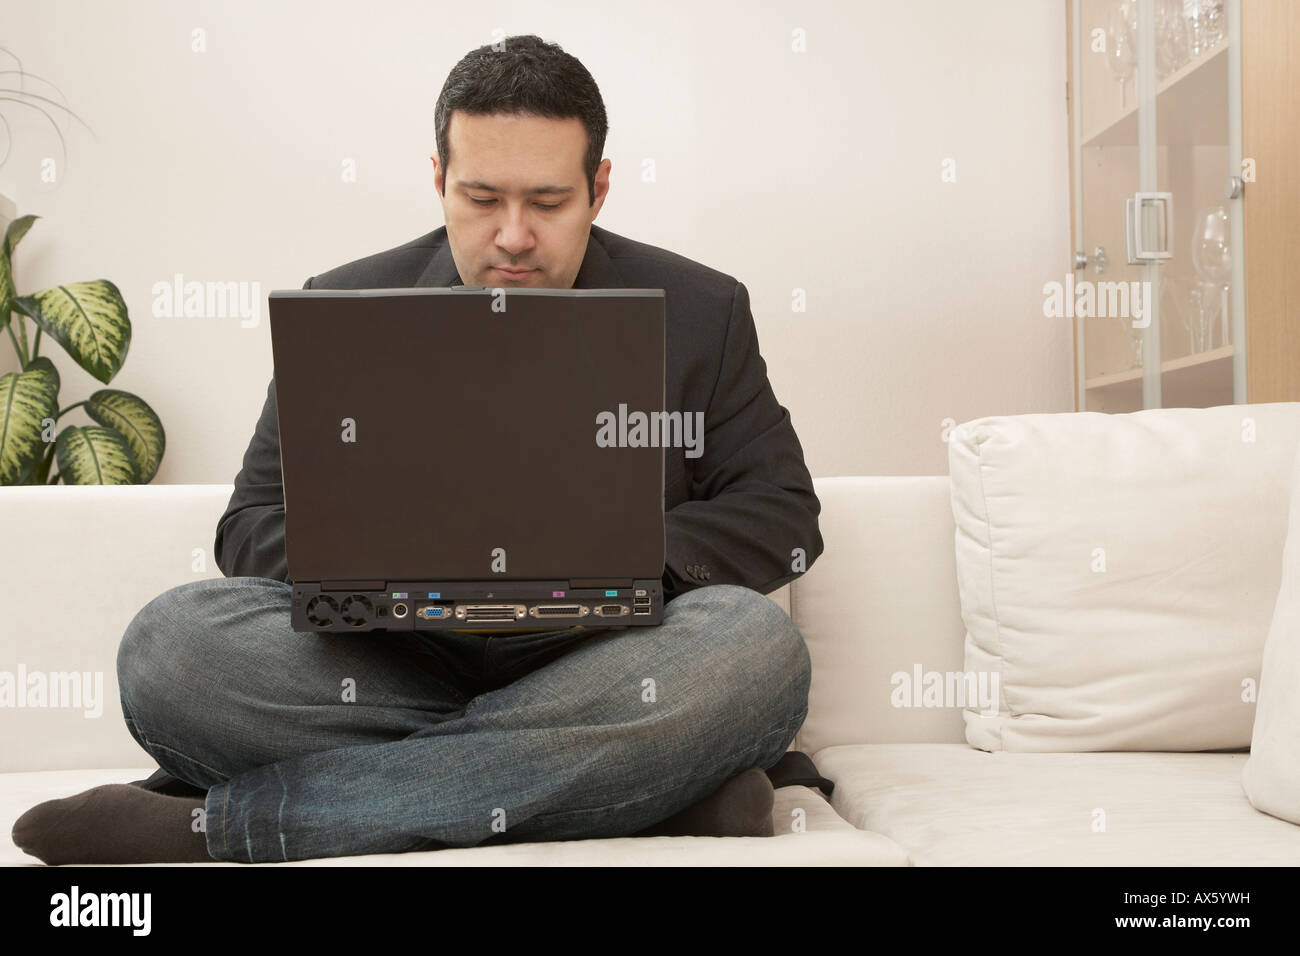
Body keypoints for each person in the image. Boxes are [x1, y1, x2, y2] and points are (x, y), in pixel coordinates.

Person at [12, 33, 823, 865]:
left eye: (548, 202)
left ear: (599, 189)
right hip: (392, 667)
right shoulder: (348, 303)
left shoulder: (703, 309)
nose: (513, 236)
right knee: (168, 646)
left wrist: (619, 558)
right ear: (438, 179)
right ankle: (644, 792)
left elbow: (785, 514)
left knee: (755, 647)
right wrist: (380, 564)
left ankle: (232, 827)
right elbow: (249, 523)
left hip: (611, 663)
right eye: (481, 198)